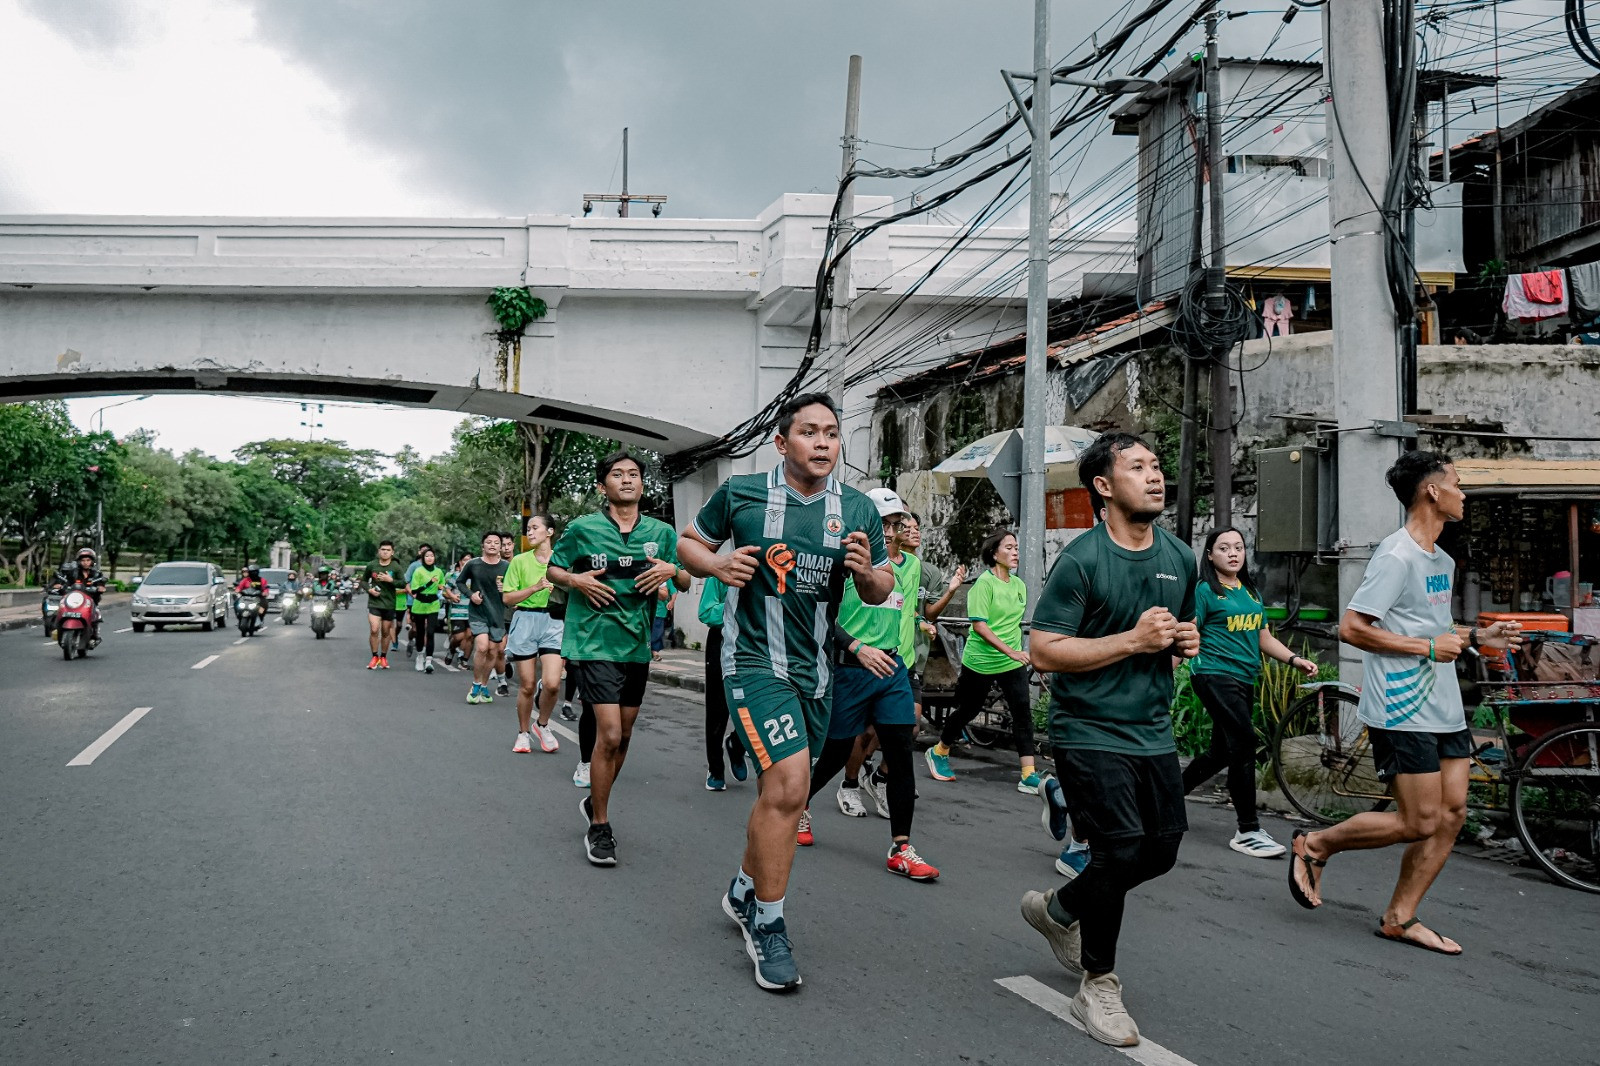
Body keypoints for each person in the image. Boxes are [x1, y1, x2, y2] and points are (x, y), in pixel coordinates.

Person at [678, 393, 892, 993]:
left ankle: (744, 888)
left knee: (786, 796)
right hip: (753, 662)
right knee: (791, 785)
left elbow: (879, 590)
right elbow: (688, 544)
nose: (823, 443)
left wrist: (865, 571)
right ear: (782, 443)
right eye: (809, 433)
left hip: (818, 673)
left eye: (832, 433)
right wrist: (716, 568)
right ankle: (767, 925)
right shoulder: (743, 495)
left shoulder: (856, 509)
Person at [1288, 451, 1522, 954]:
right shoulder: (1395, 556)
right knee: (1418, 820)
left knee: (1453, 812)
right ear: (1432, 492)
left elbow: (1431, 628)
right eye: (1457, 484)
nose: (1464, 493)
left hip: (1443, 704)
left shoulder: (1443, 559)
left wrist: (1482, 636)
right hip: (1402, 705)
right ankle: (1316, 845)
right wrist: (1428, 648)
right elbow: (1353, 627)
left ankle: (1400, 915)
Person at [1018, 432, 1199, 1049]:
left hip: (1150, 730)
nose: (1155, 476)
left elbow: (1175, 632)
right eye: (1138, 467)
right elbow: (1042, 649)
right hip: (1086, 729)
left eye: (1156, 464)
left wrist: (1182, 642)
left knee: (1163, 850)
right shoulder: (1082, 560)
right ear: (1103, 487)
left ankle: (1061, 907)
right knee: (1119, 851)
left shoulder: (1179, 555)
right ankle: (1098, 983)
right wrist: (1132, 641)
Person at [549, 451, 689, 867]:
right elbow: (554, 570)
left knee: (624, 737)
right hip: (593, 642)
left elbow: (683, 574)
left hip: (637, 644)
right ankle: (601, 826)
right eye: (617, 474)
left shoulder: (661, 532)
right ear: (602, 486)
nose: (626, 480)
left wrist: (670, 572)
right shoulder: (582, 529)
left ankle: (596, 799)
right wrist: (575, 578)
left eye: (633, 474)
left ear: (643, 485)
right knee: (608, 735)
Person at [798, 487, 939, 882]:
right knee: (837, 749)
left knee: (900, 749)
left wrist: (905, 657)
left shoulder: (908, 566)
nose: (895, 529)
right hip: (850, 668)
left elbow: (906, 610)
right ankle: (799, 805)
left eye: (899, 522)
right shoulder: (843, 561)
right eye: (887, 522)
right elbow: (824, 620)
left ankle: (902, 846)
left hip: (892, 667)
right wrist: (858, 647)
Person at [1182, 526, 1317, 858]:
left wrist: (1294, 659)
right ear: (1210, 555)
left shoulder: (1250, 592)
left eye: (1238, 547)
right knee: (1243, 742)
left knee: (1220, 752)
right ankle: (1248, 829)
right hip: (1213, 674)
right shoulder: (1203, 592)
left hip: (1243, 678)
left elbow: (1262, 637)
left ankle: (1163, 799)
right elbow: (1186, 634)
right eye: (1224, 548)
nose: (1232, 553)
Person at [925, 529, 1043, 792]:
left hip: (1010, 662)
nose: (1015, 553)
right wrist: (1011, 651)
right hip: (981, 661)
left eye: (1016, 548)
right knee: (968, 710)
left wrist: (1021, 654)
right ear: (994, 553)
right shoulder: (983, 585)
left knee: (1022, 712)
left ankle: (1028, 774)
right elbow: (979, 626)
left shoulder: (1019, 585)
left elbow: (1012, 625)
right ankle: (940, 751)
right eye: (1009, 548)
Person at [503, 513, 565, 755]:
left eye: (535, 527)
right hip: (526, 620)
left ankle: (542, 725)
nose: (529, 532)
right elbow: (508, 598)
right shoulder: (519, 561)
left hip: (554, 622)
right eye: (528, 528)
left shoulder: (561, 561)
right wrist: (535, 588)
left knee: (551, 684)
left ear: (549, 532)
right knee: (527, 685)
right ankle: (523, 733)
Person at [701, 574, 744, 791]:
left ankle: (737, 745)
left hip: (754, 645)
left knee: (754, 707)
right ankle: (715, 768)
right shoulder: (721, 569)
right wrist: (739, 611)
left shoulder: (773, 568)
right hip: (722, 641)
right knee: (718, 709)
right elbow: (706, 611)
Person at [455, 532, 509, 704]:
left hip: (498, 614)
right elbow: (460, 582)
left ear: (501, 547)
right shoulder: (473, 564)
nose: (492, 545)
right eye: (488, 542)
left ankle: (484, 685)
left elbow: (515, 588)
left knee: (494, 650)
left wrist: (505, 589)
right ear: (483, 545)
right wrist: (471, 595)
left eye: (496, 542)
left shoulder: (506, 566)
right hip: (478, 612)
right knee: (483, 647)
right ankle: (476, 684)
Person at [362, 542, 406, 670]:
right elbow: (364, 581)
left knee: (386, 631)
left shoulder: (396, 567)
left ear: (392, 552)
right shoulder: (372, 565)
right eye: (383, 549)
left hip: (389, 603)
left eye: (388, 550)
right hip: (374, 602)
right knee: (374, 629)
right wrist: (369, 590)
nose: (385, 552)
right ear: (379, 551)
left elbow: (403, 584)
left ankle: (383, 657)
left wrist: (391, 580)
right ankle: (374, 656)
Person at [51, 548, 108, 644]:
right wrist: (59, 585)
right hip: (73, 598)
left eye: (88, 560)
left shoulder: (96, 574)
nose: (85, 563)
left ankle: (95, 634)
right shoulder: (73, 572)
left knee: (96, 613)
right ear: (79, 561)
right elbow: (64, 580)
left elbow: (101, 583)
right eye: (83, 560)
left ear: (92, 561)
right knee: (58, 610)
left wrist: (100, 587)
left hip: (90, 599)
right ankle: (56, 628)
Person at [408, 547, 447, 674]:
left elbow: (442, 585)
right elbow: (414, 590)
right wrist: (430, 583)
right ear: (423, 558)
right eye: (427, 556)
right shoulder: (418, 571)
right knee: (420, 632)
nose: (430, 558)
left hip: (433, 604)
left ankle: (429, 661)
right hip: (419, 603)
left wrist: (442, 587)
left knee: (430, 632)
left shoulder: (439, 571)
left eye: (432, 556)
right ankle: (420, 656)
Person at [403, 544, 431, 660]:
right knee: (415, 628)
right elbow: (406, 581)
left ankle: (422, 653)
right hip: (413, 601)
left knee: (425, 627)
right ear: (419, 552)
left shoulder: (434, 568)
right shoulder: (413, 566)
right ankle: (411, 640)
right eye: (423, 551)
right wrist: (412, 594)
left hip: (428, 602)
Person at [444, 552, 473, 667]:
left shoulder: (476, 576)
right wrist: (452, 596)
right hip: (457, 611)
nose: (467, 562)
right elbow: (447, 589)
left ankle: (464, 660)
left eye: (469, 560)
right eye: (465, 560)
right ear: (460, 562)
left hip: (472, 611)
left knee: (470, 636)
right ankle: (452, 649)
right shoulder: (455, 576)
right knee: (459, 636)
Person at [650, 582, 674, 662]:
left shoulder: (666, 577)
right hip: (646, 610)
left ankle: (654, 651)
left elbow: (672, 591)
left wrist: (672, 602)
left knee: (657, 632)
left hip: (660, 611)